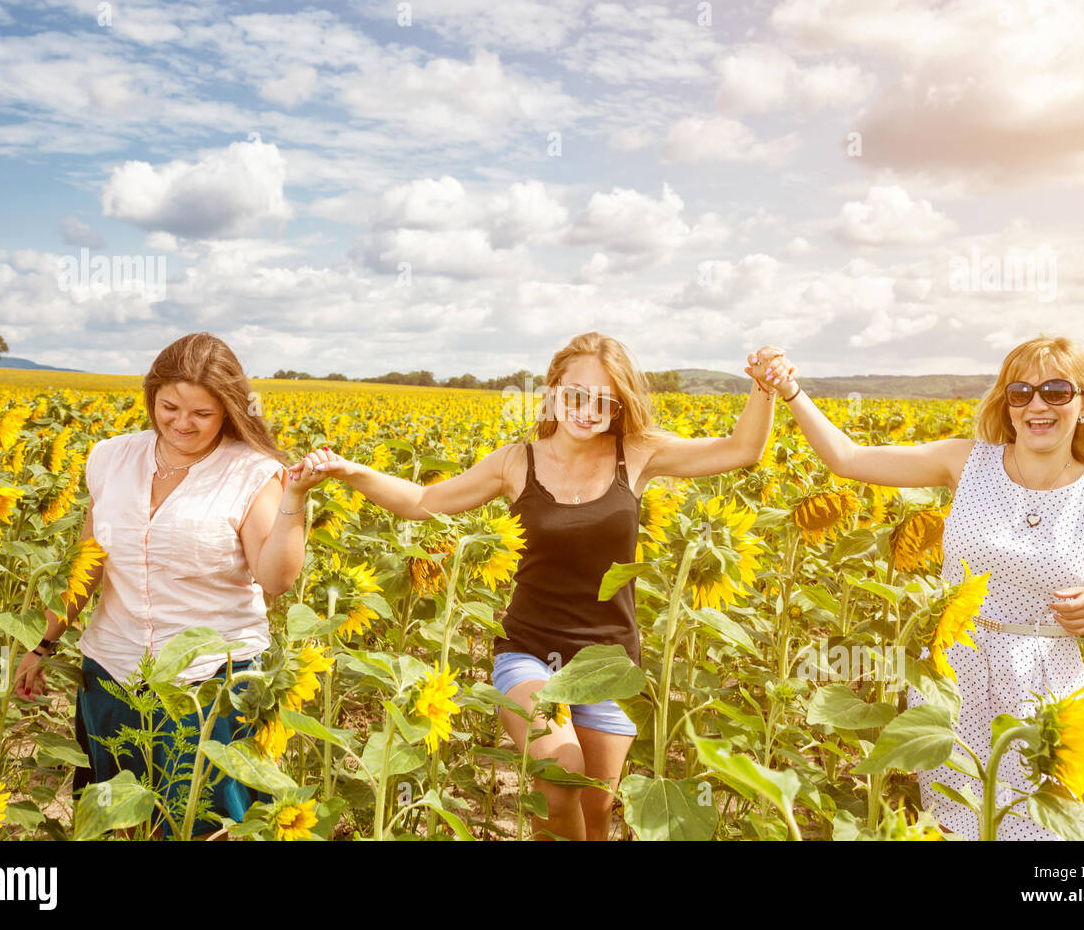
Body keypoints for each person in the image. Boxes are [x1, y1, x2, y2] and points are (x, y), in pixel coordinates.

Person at [290, 331, 786, 840]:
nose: (586, 409)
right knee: (559, 774)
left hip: (610, 660)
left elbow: (743, 449)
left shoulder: (635, 454)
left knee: (596, 813)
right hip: (529, 651)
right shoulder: (515, 462)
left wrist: (764, 386)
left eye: (602, 399)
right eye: (575, 393)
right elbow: (424, 500)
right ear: (552, 391)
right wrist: (350, 472)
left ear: (618, 406)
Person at [749, 335, 1084, 839]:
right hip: (957, 673)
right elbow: (848, 458)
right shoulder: (965, 462)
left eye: (1056, 391)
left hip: (1045, 688)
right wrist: (791, 391)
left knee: (1040, 829)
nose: (1038, 405)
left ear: (1083, 404)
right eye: (1021, 393)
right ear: (1008, 406)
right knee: (956, 821)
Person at [13, 332, 328, 837]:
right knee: (115, 818)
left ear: (228, 410)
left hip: (209, 687)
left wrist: (294, 500)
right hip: (112, 672)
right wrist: (45, 641)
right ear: (151, 397)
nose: (182, 423)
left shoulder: (249, 471)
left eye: (202, 413)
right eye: (170, 406)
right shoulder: (113, 458)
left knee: (201, 823)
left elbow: (276, 578)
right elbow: (89, 563)